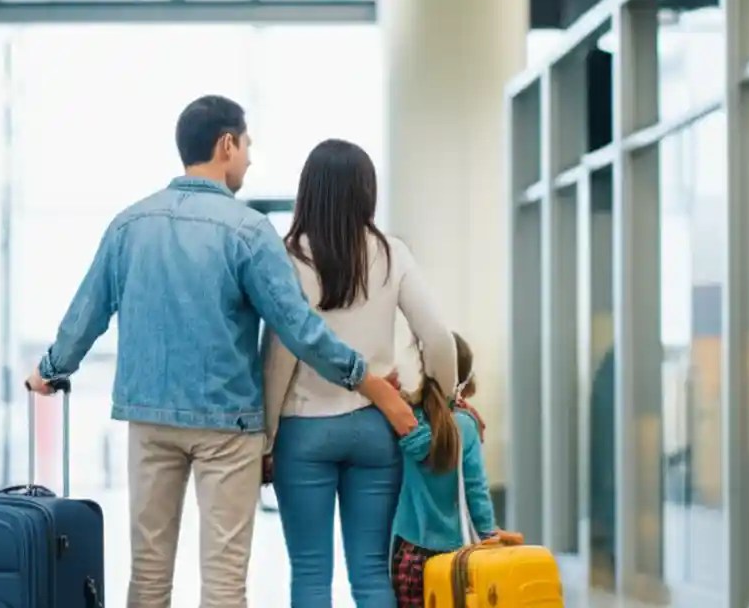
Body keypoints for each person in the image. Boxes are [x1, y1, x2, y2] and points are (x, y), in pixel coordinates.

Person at [26, 96, 415, 608]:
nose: (250, 158)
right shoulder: (248, 231)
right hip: (227, 426)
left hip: (149, 418)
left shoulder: (128, 225)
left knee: (148, 571)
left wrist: (50, 371)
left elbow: (86, 317)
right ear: (226, 144)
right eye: (247, 144)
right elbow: (298, 329)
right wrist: (367, 382)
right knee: (225, 579)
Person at [262, 138, 457, 607]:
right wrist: (440, 402)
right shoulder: (391, 252)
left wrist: (266, 441)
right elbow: (438, 338)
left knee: (310, 573)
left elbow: (279, 359)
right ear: (366, 192)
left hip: (303, 428)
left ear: (309, 191)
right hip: (375, 428)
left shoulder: (290, 257)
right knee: (371, 573)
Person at [389, 333, 520, 608]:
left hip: (407, 554)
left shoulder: (403, 418)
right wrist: (488, 534)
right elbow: (476, 490)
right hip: (454, 558)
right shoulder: (465, 427)